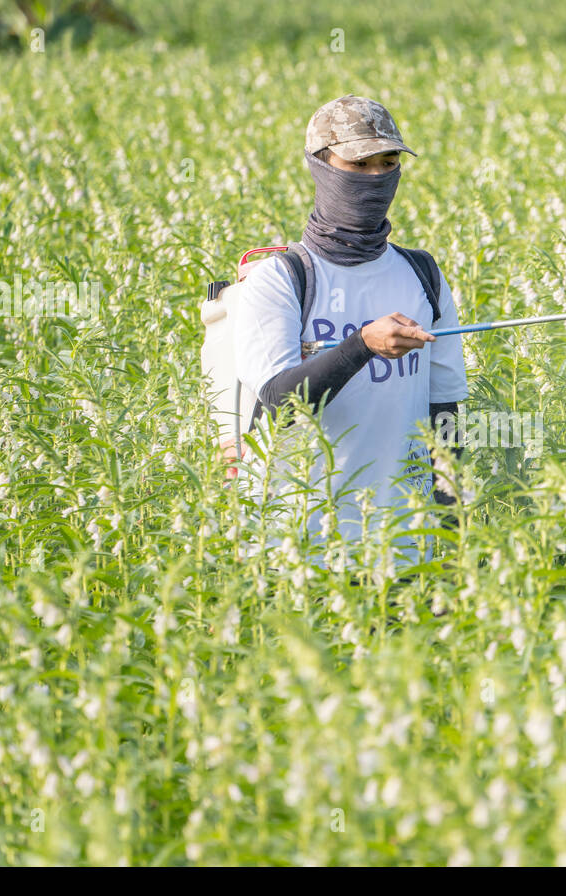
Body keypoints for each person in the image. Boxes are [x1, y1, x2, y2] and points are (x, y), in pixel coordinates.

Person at [228, 94, 468, 565]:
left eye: (388, 161)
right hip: (297, 549)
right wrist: (362, 345)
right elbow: (280, 402)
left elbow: (446, 414)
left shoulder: (422, 275)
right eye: (359, 163)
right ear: (321, 166)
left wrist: (450, 539)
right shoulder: (282, 278)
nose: (377, 177)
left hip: (403, 546)